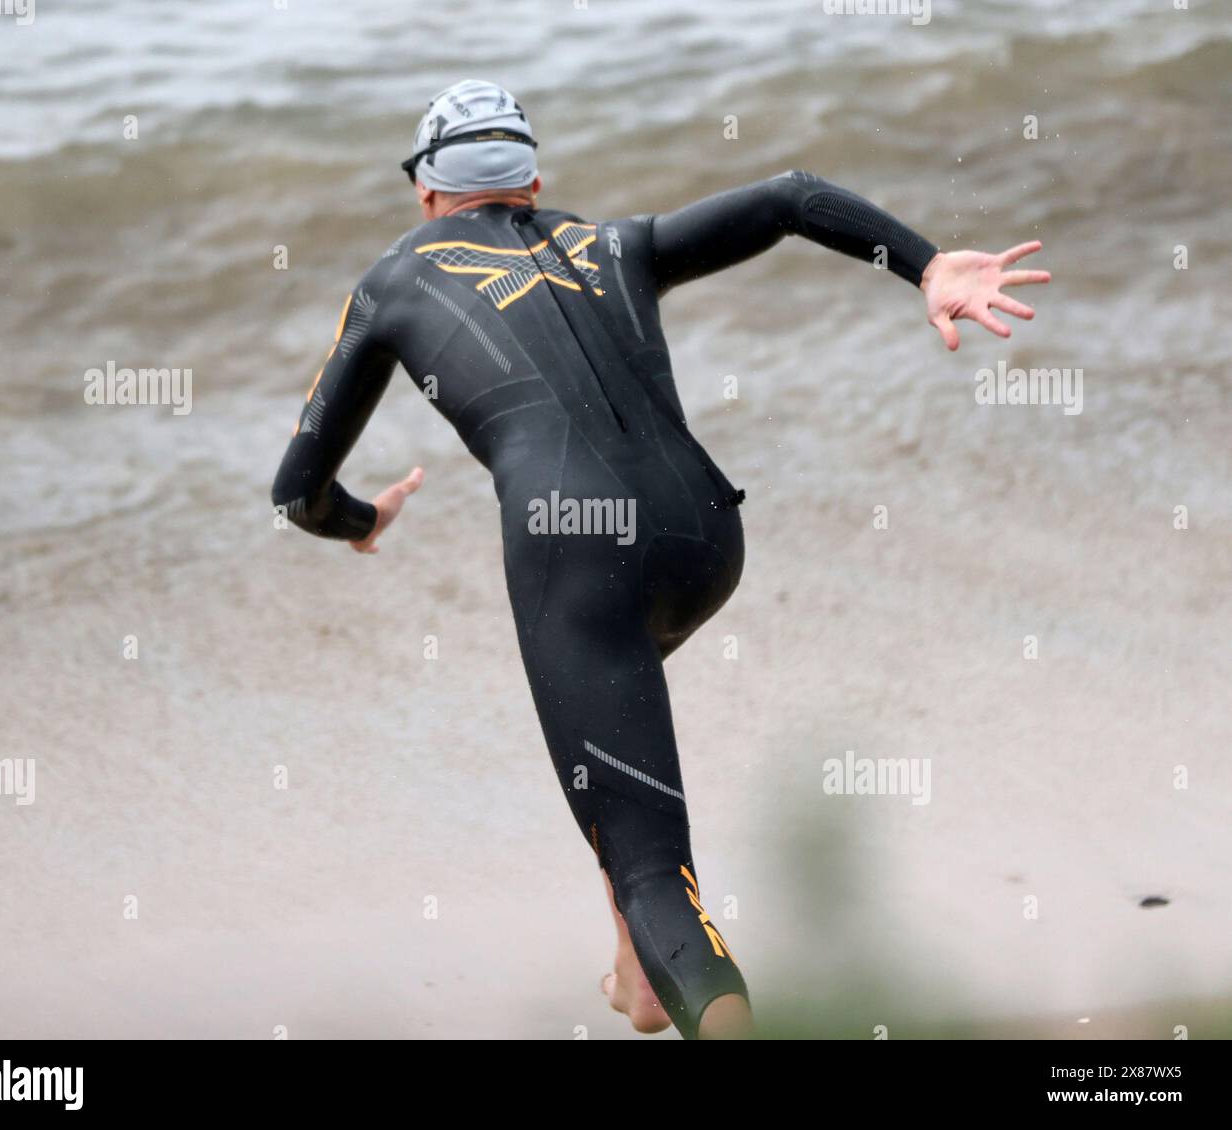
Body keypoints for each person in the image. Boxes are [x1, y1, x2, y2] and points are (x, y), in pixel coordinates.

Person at [270, 79, 1050, 1039]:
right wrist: (928, 268)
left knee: (650, 865)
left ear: (426, 195)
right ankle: (639, 977)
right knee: (617, 735)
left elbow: (296, 492)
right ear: (534, 182)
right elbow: (792, 197)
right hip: (706, 535)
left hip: (578, 556)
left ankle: (689, 988)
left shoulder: (393, 280)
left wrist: (362, 520)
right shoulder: (614, 243)